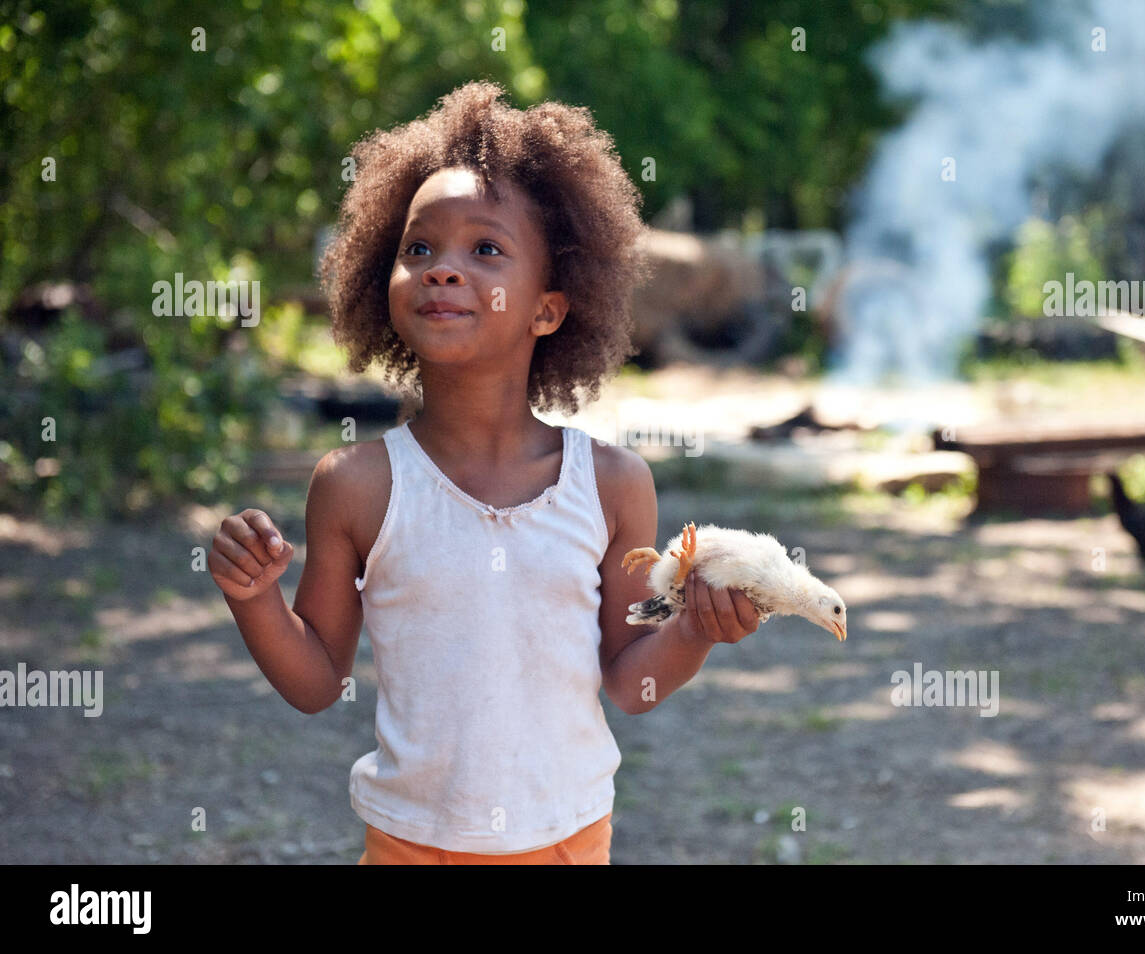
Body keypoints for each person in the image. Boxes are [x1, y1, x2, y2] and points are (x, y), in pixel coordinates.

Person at [209, 81, 762, 865]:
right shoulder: (356, 486)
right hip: (408, 847)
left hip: (569, 843)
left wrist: (696, 632)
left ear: (548, 309)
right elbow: (316, 682)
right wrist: (254, 598)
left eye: (487, 250)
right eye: (418, 248)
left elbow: (630, 681)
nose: (442, 269)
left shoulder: (611, 485)